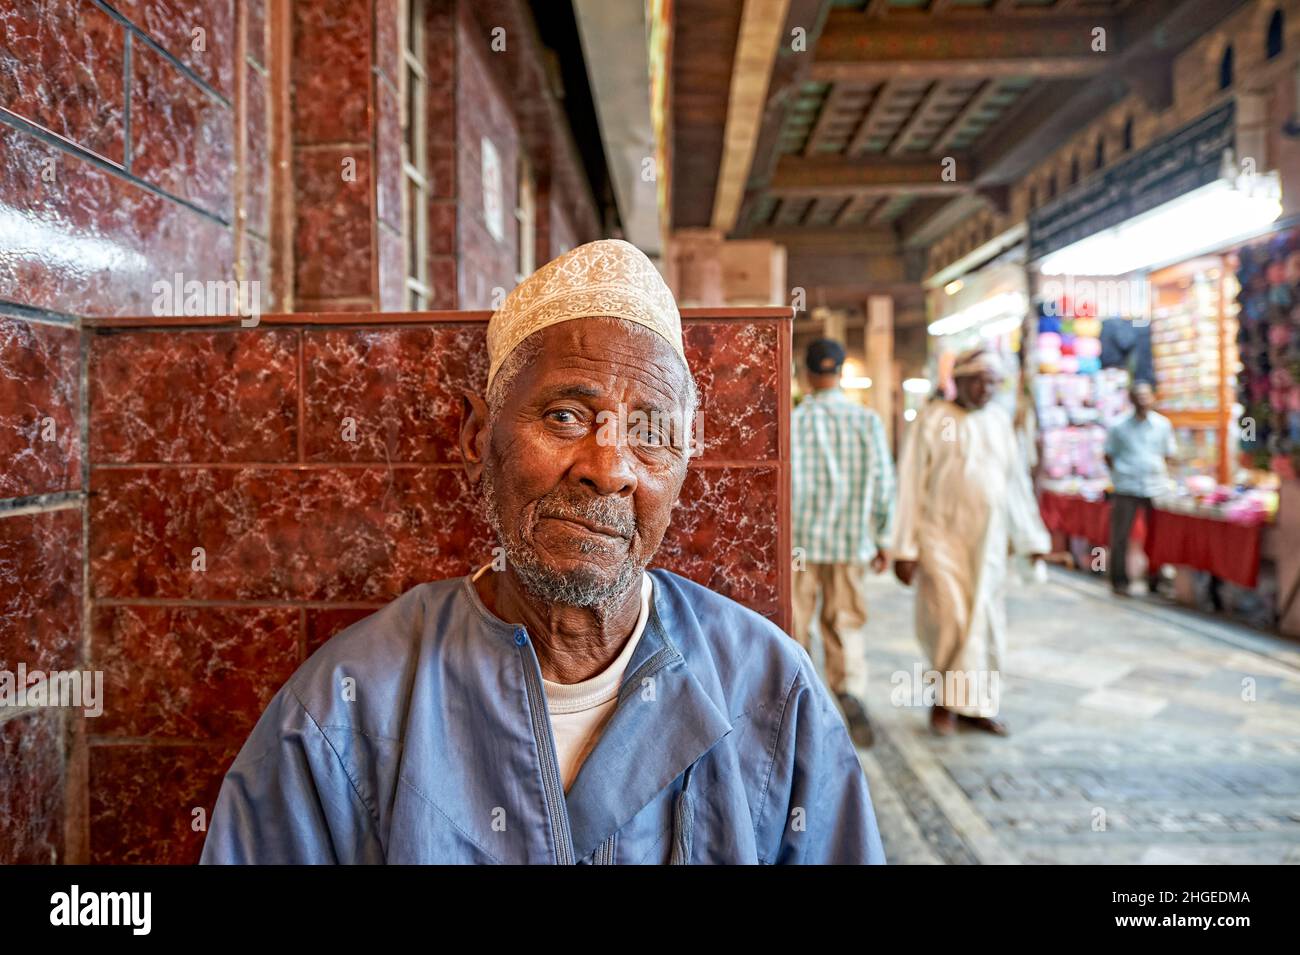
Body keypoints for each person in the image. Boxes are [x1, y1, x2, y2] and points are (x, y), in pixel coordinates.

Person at [200, 239, 885, 864]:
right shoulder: (345, 709)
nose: (610, 466)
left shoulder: (769, 691)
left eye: (650, 431)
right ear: (476, 437)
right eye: (566, 416)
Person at [889, 347, 1050, 738]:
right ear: (957, 381)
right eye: (977, 380)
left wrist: (1030, 536)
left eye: (992, 382)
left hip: (989, 545)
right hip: (940, 539)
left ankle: (978, 706)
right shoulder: (932, 420)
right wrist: (904, 547)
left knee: (985, 622)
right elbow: (910, 485)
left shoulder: (999, 423)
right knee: (949, 620)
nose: (985, 389)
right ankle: (945, 702)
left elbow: (1015, 486)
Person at [791, 338, 895, 749]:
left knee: (797, 623)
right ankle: (848, 687)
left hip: (799, 544)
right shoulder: (866, 421)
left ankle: (800, 698)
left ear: (807, 373)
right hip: (851, 542)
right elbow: (885, 484)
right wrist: (883, 537)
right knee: (845, 620)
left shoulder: (794, 421)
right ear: (839, 374)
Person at [1104, 380, 1176, 597]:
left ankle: (1156, 579)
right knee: (1120, 536)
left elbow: (1169, 453)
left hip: (1155, 486)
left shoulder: (1163, 425)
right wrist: (1120, 474)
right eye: (1139, 396)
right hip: (1127, 486)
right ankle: (1119, 581)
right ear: (1132, 400)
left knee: (1158, 535)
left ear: (1153, 398)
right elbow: (1109, 455)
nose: (1143, 400)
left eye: (1146, 396)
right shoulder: (1118, 426)